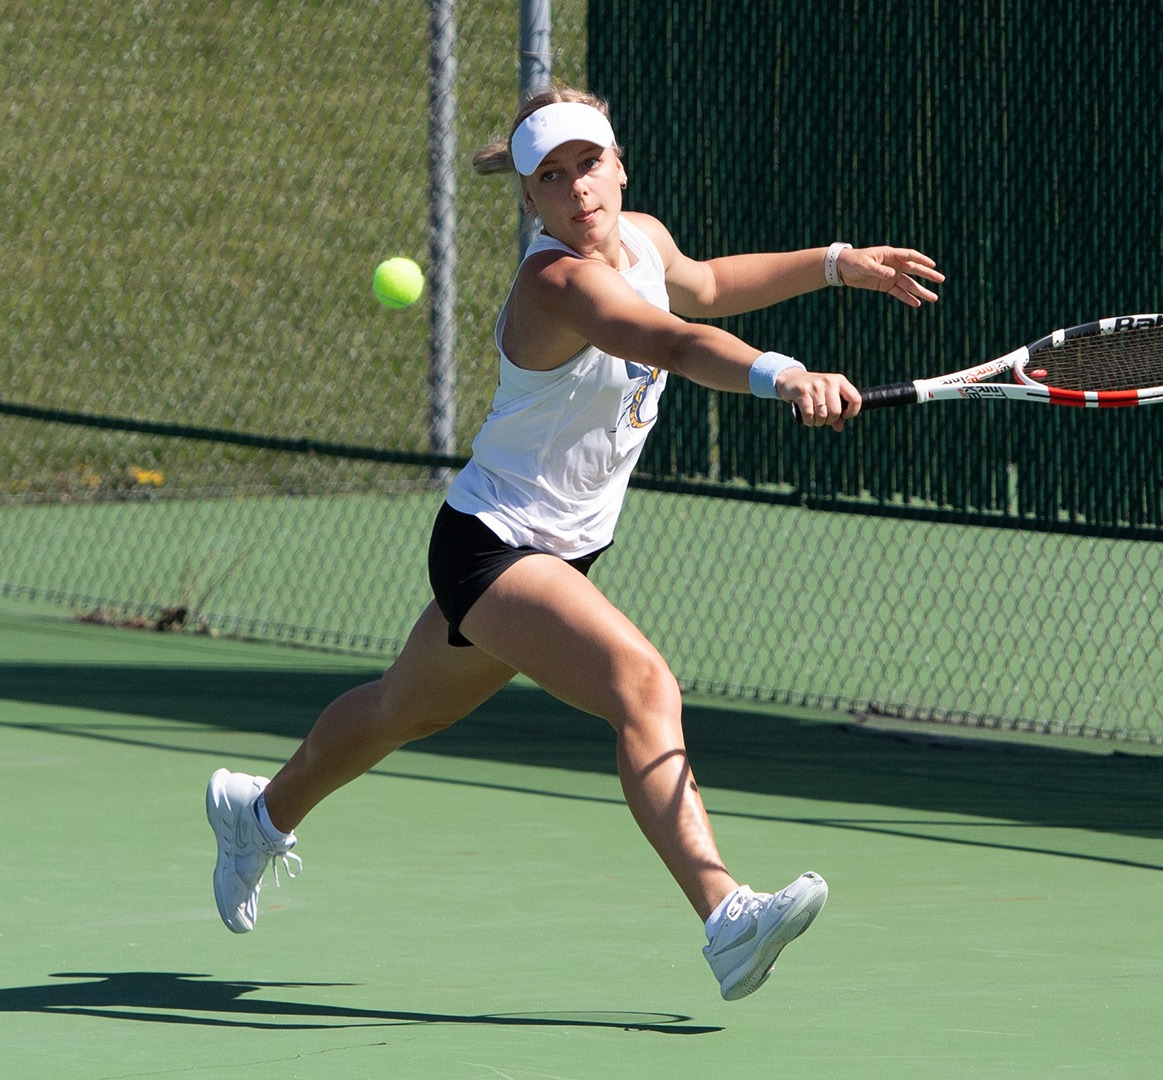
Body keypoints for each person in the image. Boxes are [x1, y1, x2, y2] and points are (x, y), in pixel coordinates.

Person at [207, 85, 942, 1001]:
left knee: (403, 710)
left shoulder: (644, 241)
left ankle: (257, 814)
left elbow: (706, 284)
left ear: (619, 164)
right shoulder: (555, 282)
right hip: (493, 546)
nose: (578, 191)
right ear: (531, 203)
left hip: (560, 550)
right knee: (644, 687)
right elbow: (666, 336)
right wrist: (784, 373)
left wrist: (838, 262)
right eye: (550, 178)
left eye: (588, 164)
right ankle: (727, 918)